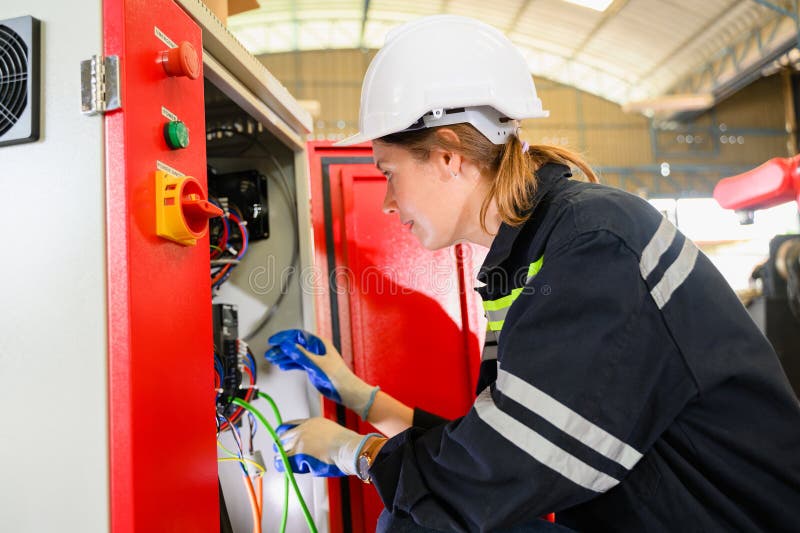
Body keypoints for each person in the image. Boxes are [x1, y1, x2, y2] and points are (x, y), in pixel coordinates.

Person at [264, 14, 800, 532]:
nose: (385, 201)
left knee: (418, 526)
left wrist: (356, 452)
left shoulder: (594, 244)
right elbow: (500, 441)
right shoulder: (537, 251)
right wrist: (357, 394)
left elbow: (491, 475)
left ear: (448, 156)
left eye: (389, 173)